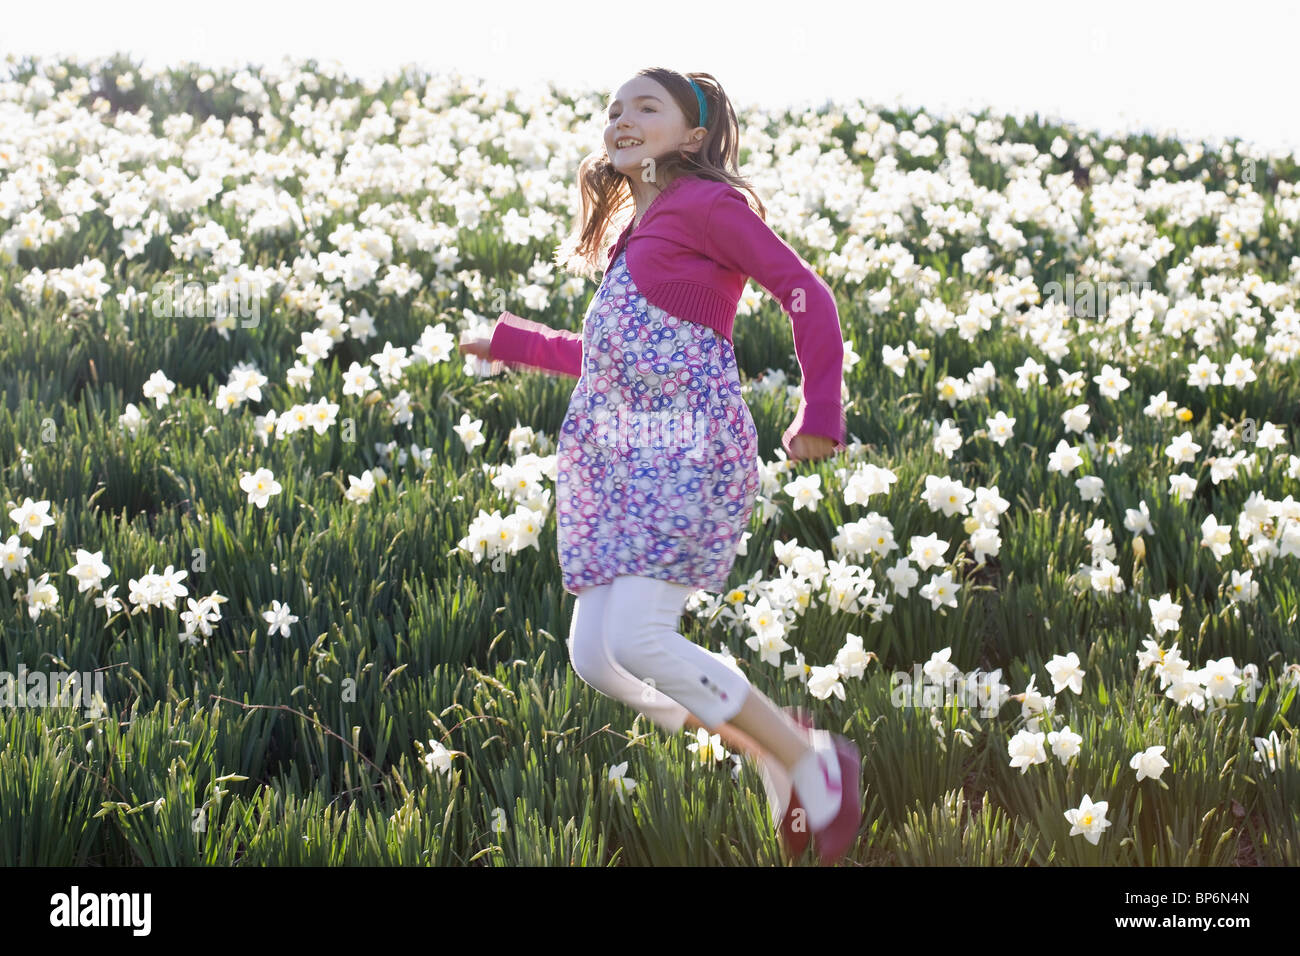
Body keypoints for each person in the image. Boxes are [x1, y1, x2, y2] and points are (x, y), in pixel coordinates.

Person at [459, 68, 861, 864]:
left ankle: (815, 764)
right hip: (619, 464)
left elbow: (805, 290)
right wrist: (510, 343)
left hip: (684, 453)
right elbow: (610, 357)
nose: (622, 117)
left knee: (641, 640)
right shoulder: (631, 238)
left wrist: (821, 412)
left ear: (694, 135)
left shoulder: (707, 207)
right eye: (613, 107)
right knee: (597, 659)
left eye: (647, 106)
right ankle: (780, 755)